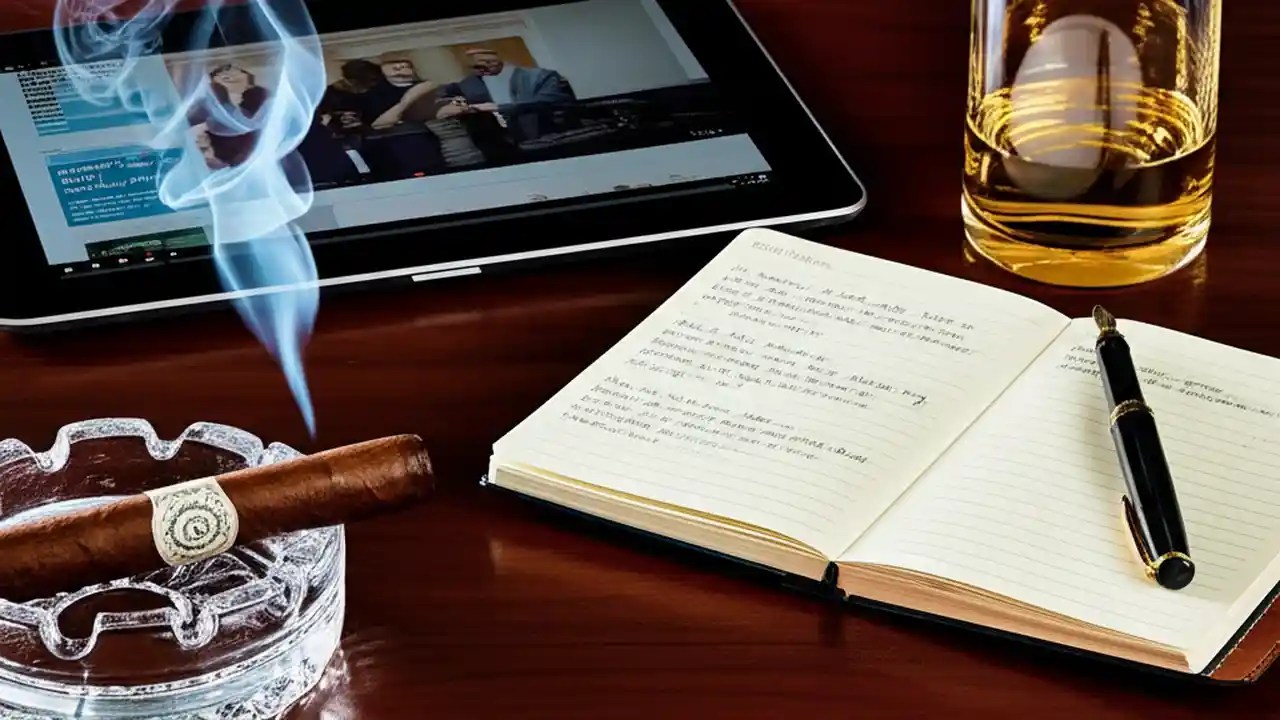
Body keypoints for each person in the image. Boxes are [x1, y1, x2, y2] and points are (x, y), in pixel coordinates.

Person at [438, 48, 577, 144]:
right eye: (475, 66)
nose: (482, 69)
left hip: (547, 139)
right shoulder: (468, 84)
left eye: (487, 61)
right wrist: (452, 105)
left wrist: (499, 107)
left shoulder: (541, 76)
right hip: (498, 146)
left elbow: (551, 101)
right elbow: (442, 98)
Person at [350, 58, 447, 179]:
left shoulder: (434, 88)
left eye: (405, 66)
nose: (400, 68)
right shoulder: (372, 96)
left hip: (435, 150)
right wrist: (408, 99)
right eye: (394, 67)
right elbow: (379, 124)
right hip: (397, 153)